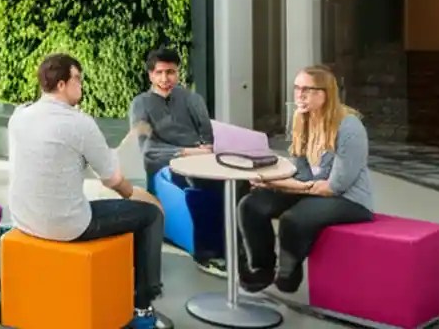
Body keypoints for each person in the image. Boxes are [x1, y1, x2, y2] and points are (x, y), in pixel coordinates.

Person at [9, 54, 172, 329]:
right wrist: (144, 198)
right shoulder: (80, 123)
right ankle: (143, 308)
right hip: (67, 226)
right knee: (150, 216)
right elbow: (114, 180)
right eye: (78, 80)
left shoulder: (19, 115)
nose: (81, 86)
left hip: (24, 218)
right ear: (62, 84)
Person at [238, 65, 374, 294]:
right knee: (251, 205)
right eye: (296, 88)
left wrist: (285, 185)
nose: (299, 95)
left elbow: (335, 186)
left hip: (349, 199)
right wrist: (271, 181)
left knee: (293, 219)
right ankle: (263, 268)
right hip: (313, 188)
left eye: (307, 90)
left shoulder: (350, 126)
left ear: (325, 93)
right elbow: (301, 170)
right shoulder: (302, 118)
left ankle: (288, 274)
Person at [128, 47, 225, 276]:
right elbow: (147, 150)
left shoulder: (191, 98)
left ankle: (235, 247)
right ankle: (207, 254)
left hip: (202, 160)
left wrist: (203, 151)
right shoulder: (140, 104)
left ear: (178, 73)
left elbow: (207, 137)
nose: (165, 79)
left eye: (170, 72)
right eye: (159, 72)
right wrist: (188, 152)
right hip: (165, 165)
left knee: (233, 186)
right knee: (201, 189)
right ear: (150, 75)